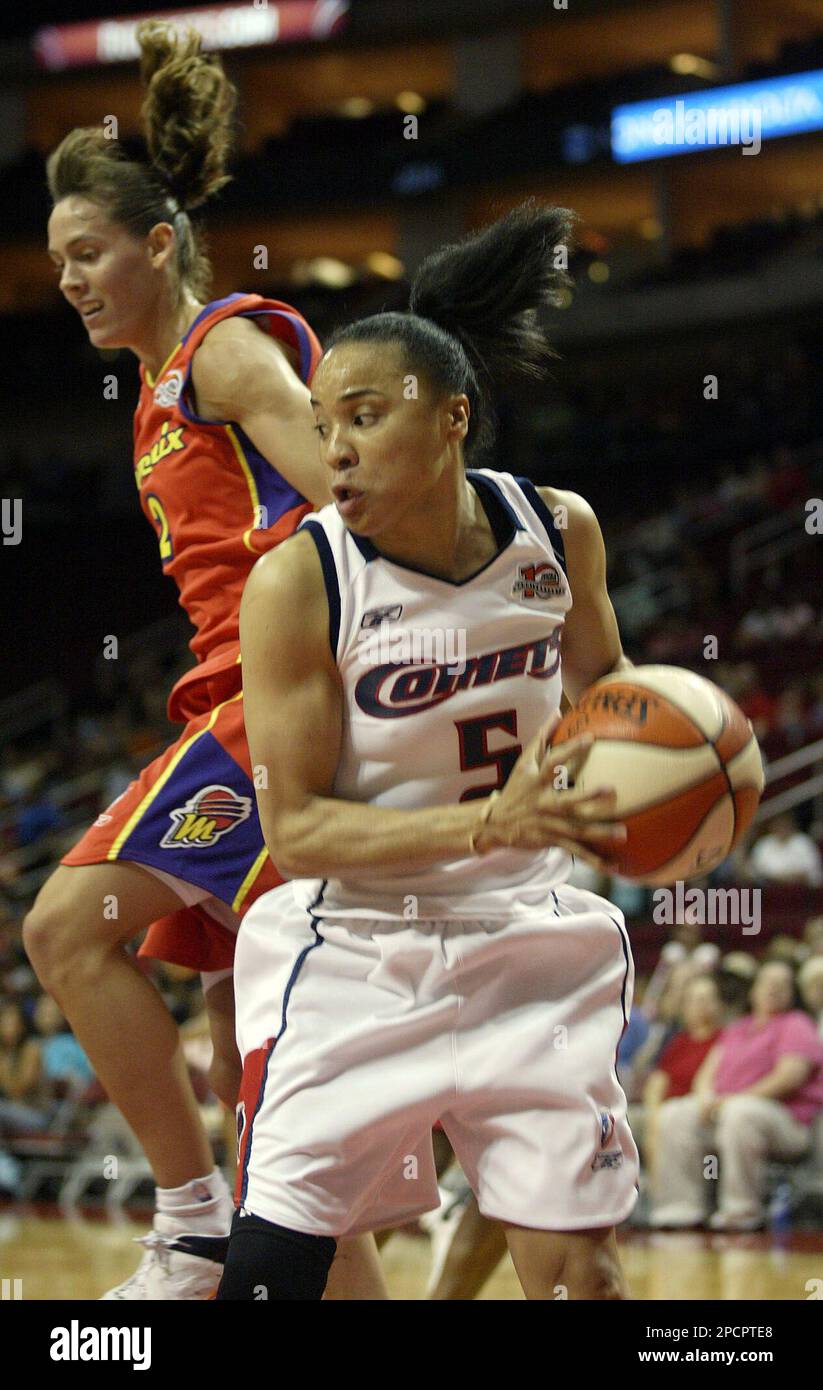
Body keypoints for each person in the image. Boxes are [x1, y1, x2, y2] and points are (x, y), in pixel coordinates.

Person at [217, 201, 641, 1301]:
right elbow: (297, 831)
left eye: (363, 415)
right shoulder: (300, 579)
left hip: (529, 941)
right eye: (322, 422)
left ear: (453, 417)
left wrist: (679, 780)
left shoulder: (559, 532)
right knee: (270, 1273)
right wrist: (484, 819)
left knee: (581, 1281)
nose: (334, 448)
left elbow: (615, 706)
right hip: (357, 946)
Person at [24, 21, 384, 1300]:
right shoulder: (156, 382)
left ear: (158, 246)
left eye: (89, 253)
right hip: (236, 699)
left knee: (67, 930)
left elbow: (352, 498)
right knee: (274, 1094)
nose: (67, 278)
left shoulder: (224, 348)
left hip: (275, 703)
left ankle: (185, 1225)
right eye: (56, 259)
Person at [650, 960, 823, 1230]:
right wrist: (706, 1098)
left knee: (741, 1112)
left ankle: (740, 1211)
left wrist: (731, 1100)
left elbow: (790, 1076)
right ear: (753, 990)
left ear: (793, 992)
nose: (774, 988)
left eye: (782, 983)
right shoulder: (737, 1028)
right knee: (675, 1113)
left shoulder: (797, 1024)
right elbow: (707, 1074)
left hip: (787, 1123)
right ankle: (680, 1209)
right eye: (767, 981)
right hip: (725, 1112)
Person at [747, 812, 823, 887]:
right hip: (769, 890)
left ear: (792, 825)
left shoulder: (803, 842)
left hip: (800, 890)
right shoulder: (764, 844)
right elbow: (754, 871)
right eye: (778, 825)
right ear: (772, 827)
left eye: (785, 825)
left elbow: (812, 872)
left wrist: (782, 878)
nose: (782, 828)